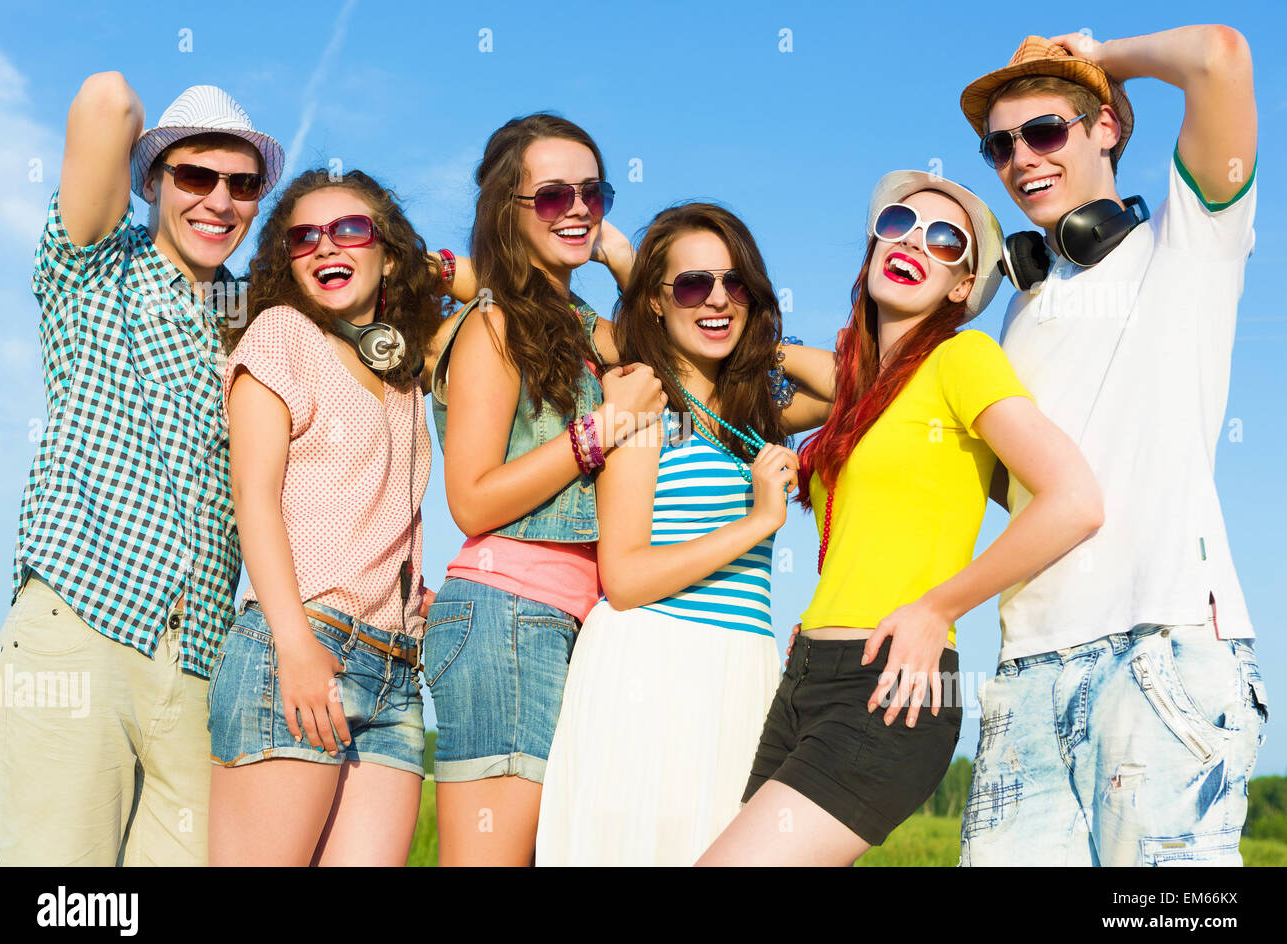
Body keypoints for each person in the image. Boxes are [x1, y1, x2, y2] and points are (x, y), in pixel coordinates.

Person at [698, 172, 1103, 866]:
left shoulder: (961, 359)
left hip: (891, 683)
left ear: (960, 286)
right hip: (805, 680)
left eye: (945, 240)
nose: (915, 240)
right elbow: (760, 357)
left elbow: (1075, 500)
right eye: (897, 224)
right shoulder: (865, 393)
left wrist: (936, 608)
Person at [956, 29, 1268, 866]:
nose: (1022, 157)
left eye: (1047, 130)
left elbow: (1222, 57)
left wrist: (1099, 54)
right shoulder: (1019, 311)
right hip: (1025, 666)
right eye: (1001, 144)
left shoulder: (1188, 239)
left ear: (1107, 128)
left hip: (1157, 645)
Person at [0, 79, 282, 866]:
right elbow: (106, 100)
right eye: (194, 176)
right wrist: (150, 148)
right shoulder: (93, 268)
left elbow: (387, 281)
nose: (219, 200)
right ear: (150, 179)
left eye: (242, 183)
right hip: (83, 629)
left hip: (200, 666)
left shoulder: (249, 317)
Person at [424, 113, 663, 866]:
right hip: (508, 619)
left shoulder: (589, 327)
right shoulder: (493, 325)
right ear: (508, 210)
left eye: (595, 192)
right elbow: (472, 497)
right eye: (554, 196)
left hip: (577, 625)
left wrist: (627, 261)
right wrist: (600, 430)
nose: (581, 209)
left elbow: (683, 351)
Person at [536, 203, 807, 865]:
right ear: (654, 302)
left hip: (743, 667)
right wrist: (759, 522)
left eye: (734, 284)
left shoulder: (758, 411)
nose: (716, 299)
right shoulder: (643, 401)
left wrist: (756, 339)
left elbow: (869, 381)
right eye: (691, 286)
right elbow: (625, 580)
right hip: (653, 665)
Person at [207, 169, 452, 865]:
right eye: (303, 238)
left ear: (392, 253)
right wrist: (294, 645)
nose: (325, 247)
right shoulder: (282, 334)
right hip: (305, 642)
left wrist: (412, 596)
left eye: (351, 229)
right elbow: (253, 496)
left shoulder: (406, 372)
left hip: (396, 669)